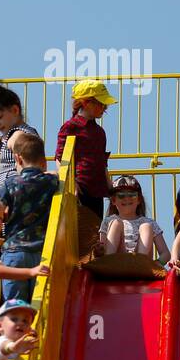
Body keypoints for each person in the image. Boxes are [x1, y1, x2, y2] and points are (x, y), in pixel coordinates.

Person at [0, 133, 60, 302]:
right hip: (42, 252)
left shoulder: (10, 183)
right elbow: (58, 176)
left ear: (18, 159)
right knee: (39, 303)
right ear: (43, 161)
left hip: (14, 251)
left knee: (13, 304)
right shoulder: (51, 182)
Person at [56, 79, 115, 247]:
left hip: (97, 189)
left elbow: (102, 161)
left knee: (96, 230)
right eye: (101, 103)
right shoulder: (70, 127)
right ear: (85, 103)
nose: (105, 108)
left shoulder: (99, 132)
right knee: (80, 232)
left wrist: (109, 184)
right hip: (79, 188)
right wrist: (71, 184)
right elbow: (60, 158)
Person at [0, 81, 40, 198]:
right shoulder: (9, 135)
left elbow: (20, 141)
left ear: (15, 110)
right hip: (5, 193)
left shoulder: (20, 133)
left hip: (13, 194)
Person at [103, 174, 170, 263]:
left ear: (139, 200)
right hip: (118, 261)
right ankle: (108, 263)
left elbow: (165, 253)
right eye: (121, 195)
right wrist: (99, 251)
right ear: (113, 201)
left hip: (140, 260)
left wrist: (157, 264)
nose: (127, 198)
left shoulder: (149, 222)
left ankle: (140, 263)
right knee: (116, 223)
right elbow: (102, 247)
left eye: (132, 195)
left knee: (146, 226)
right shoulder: (108, 221)